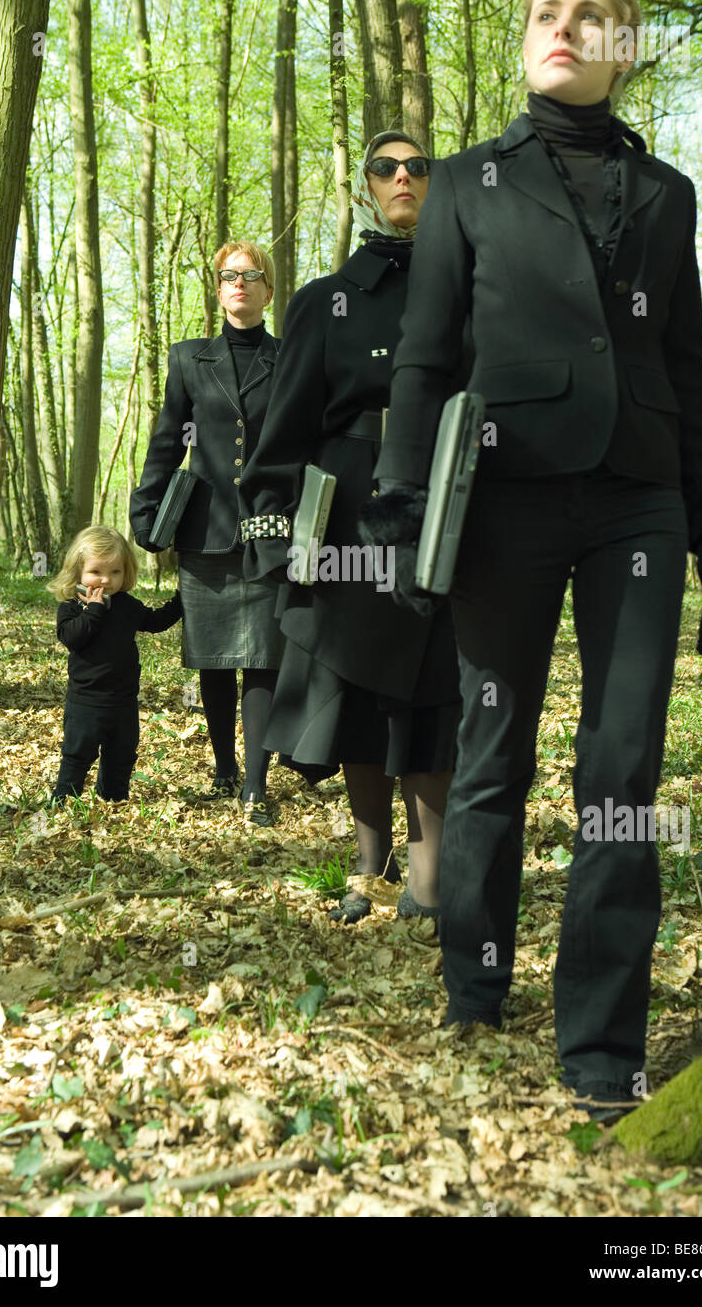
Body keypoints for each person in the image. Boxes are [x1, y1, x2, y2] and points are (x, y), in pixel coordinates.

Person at [369, 0, 702, 1119]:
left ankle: (600, 1045)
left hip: (640, 501)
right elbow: (428, 357)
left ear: (627, 46)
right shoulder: (471, 184)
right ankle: (475, 980)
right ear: (527, 36)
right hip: (504, 498)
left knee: (623, 770)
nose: (563, 28)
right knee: (493, 751)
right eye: (546, 12)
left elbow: (683, 365)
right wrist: (395, 506)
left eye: (591, 15)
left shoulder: (670, 193)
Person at [239, 132, 463, 923]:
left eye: (418, 167)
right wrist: (274, 542)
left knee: (433, 687)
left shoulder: (468, 286)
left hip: (440, 509)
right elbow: (283, 430)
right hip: (342, 520)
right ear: (365, 186)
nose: (402, 177)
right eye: (384, 167)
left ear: (436, 185)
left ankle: (428, 867)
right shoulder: (321, 300)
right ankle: (367, 863)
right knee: (357, 687)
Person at [129, 242, 283, 826]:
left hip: (270, 529)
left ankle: (256, 786)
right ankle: (224, 769)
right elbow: (168, 440)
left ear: (268, 290)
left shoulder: (292, 358)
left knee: (264, 659)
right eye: (228, 276)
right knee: (216, 659)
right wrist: (146, 515)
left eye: (250, 275)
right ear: (219, 290)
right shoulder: (189, 359)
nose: (239, 283)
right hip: (205, 527)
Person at [48, 525, 182, 802]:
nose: (106, 580)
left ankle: (114, 798)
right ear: (78, 572)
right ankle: (64, 799)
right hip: (85, 701)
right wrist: (94, 611)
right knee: (77, 753)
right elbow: (71, 637)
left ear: (126, 573)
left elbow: (154, 622)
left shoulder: (126, 605)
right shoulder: (72, 607)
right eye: (96, 572)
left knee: (121, 754)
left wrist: (180, 601)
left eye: (115, 572)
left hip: (123, 701)